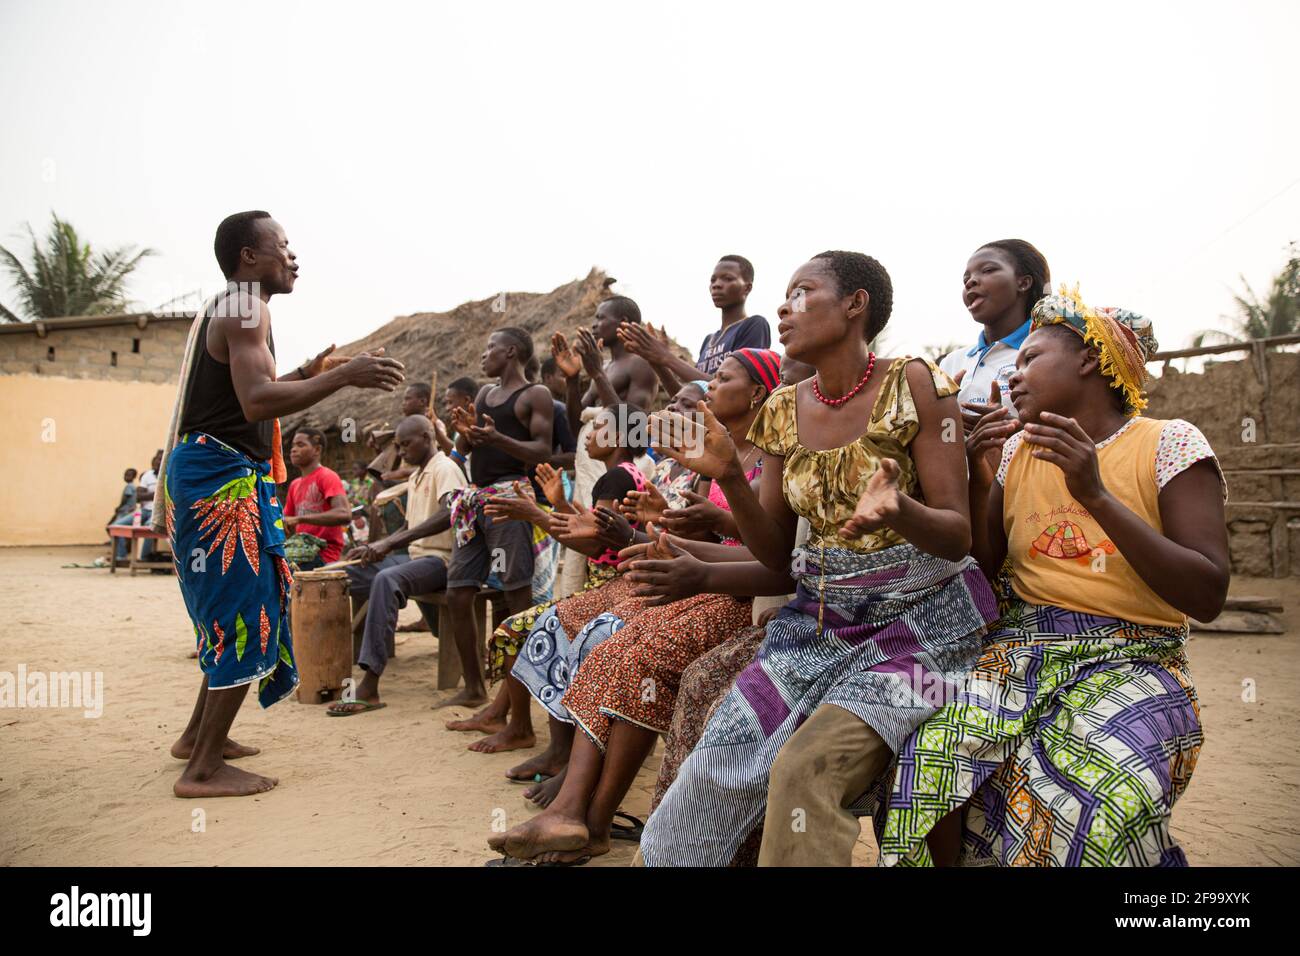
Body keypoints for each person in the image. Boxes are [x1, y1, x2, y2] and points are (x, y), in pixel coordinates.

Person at [640, 251, 999, 866]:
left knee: (807, 769)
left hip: (923, 628)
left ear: (856, 304)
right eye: (783, 295)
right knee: (716, 760)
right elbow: (777, 552)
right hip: (818, 623)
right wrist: (729, 472)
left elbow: (958, 535)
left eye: (802, 292)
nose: (784, 307)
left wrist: (898, 510)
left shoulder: (914, 383)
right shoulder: (784, 409)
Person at [874, 286, 1229, 867]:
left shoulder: (1168, 442)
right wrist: (977, 474)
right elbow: (986, 572)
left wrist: (1094, 494)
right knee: (926, 758)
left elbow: (1208, 592)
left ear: (1090, 358)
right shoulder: (1017, 454)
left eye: (1031, 359)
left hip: (1133, 654)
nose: (1014, 376)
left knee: (1106, 798)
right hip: (1021, 647)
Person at [487, 349, 784, 865]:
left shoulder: (768, 462)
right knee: (612, 651)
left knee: (636, 652)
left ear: (758, 393)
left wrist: (667, 543)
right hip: (701, 583)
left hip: (740, 595)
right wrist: (662, 535)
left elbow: (766, 557)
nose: (709, 385)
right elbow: (703, 534)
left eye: (723, 377)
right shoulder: (714, 460)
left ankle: (590, 819)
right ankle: (575, 811)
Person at [160, 210, 404, 798]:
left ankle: (198, 740)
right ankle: (203, 771)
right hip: (219, 481)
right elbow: (255, 402)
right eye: (283, 246)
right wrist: (344, 376)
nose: (293, 257)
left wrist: (305, 373)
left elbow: (249, 395)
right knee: (245, 614)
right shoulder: (247, 306)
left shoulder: (235, 306)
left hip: (211, 473)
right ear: (249, 256)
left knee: (234, 610)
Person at [452, 404, 651, 761]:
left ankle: (521, 730)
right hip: (614, 584)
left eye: (599, 426)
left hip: (616, 586)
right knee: (528, 626)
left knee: (513, 630)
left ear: (620, 436)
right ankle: (507, 719)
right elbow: (594, 529)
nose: (589, 434)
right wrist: (557, 503)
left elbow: (596, 543)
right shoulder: (623, 474)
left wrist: (536, 514)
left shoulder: (615, 478)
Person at [441, 327, 554, 709]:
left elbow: (541, 450)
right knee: (458, 592)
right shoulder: (486, 394)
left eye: (490, 348)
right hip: (477, 501)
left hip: (510, 498)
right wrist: (467, 434)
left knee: (515, 595)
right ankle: (475, 687)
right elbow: (468, 445)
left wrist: (495, 439)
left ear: (510, 352)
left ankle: (516, 704)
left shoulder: (535, 394)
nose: (483, 355)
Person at [326, 415, 468, 715]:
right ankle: (326, 666)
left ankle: (370, 687)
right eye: (398, 446)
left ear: (428, 437)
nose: (401, 452)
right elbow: (408, 526)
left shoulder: (445, 468)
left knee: (387, 580)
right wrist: (374, 547)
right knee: (346, 575)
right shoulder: (417, 476)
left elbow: (449, 514)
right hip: (416, 557)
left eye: (407, 444)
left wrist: (389, 544)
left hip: (441, 561)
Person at [551, 295, 657, 599]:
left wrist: (596, 372)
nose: (595, 324)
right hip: (594, 465)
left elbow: (632, 426)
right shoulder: (608, 366)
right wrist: (573, 381)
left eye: (602, 317)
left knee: (598, 537)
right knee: (579, 537)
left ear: (625, 323)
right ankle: (575, 607)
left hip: (617, 468)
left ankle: (599, 603)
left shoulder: (640, 365)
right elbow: (574, 427)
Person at [618, 255, 771, 380]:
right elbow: (693, 397)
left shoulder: (754, 325)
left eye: (728, 279)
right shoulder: (709, 340)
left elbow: (736, 388)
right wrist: (657, 361)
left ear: (747, 287)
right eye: (713, 280)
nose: (717, 285)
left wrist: (667, 357)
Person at [282, 427, 350, 568]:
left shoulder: (326, 476)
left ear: (317, 450)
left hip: (323, 553)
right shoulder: (294, 485)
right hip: (302, 550)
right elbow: (286, 523)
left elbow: (344, 514)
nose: (293, 449)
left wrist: (299, 519)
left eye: (301, 445)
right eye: (293, 445)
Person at [112, 450, 163, 560]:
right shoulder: (147, 475)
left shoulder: (168, 475)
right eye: (155, 459)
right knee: (117, 525)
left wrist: (148, 494)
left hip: (158, 512)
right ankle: (122, 555)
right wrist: (157, 494)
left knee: (150, 527)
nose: (156, 462)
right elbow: (139, 497)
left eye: (159, 459)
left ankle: (144, 558)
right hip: (144, 511)